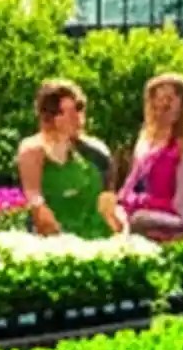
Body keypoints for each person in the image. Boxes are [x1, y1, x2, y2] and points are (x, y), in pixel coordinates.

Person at [16, 79, 120, 240]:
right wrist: (63, 243)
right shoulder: (33, 149)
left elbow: (108, 205)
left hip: (98, 235)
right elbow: (35, 200)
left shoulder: (96, 151)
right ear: (49, 116)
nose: (77, 117)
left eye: (79, 109)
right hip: (56, 238)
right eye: (68, 112)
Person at [117, 73, 183, 241]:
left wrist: (141, 204)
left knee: (140, 220)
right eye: (156, 99)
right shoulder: (145, 140)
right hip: (137, 212)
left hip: (171, 220)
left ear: (181, 105)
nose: (162, 104)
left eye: (169, 99)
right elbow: (131, 183)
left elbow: (181, 201)